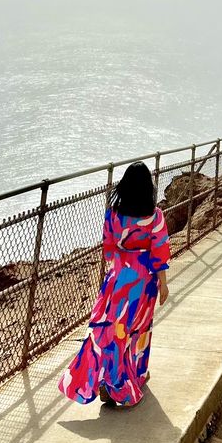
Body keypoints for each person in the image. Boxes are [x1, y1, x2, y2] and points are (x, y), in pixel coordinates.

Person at [58, 162, 171, 407]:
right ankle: (127, 381)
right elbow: (160, 253)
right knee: (138, 331)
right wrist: (163, 285)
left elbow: (108, 250)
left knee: (113, 332)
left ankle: (112, 380)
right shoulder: (155, 216)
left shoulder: (113, 213)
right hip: (144, 282)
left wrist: (122, 260)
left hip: (118, 280)